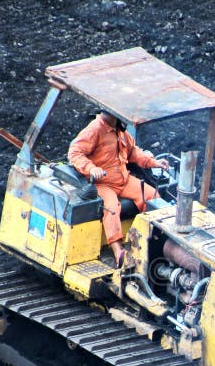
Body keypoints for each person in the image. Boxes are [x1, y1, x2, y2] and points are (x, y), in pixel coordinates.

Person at [68, 111, 169, 265]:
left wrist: (153, 162)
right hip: (102, 183)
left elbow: (133, 151)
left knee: (152, 195)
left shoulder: (119, 130)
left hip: (123, 179)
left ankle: (156, 239)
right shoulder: (94, 129)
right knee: (112, 208)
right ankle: (118, 251)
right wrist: (91, 168)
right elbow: (75, 152)